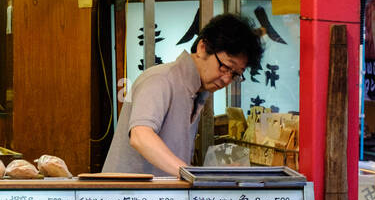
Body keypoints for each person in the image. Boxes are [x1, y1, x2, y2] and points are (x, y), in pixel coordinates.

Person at [103, 12, 263, 177]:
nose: (227, 79)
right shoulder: (161, 79)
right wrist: (192, 175)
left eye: (235, 74)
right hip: (127, 197)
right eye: (225, 67)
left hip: (161, 197)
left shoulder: (197, 92)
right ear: (202, 47)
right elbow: (140, 136)